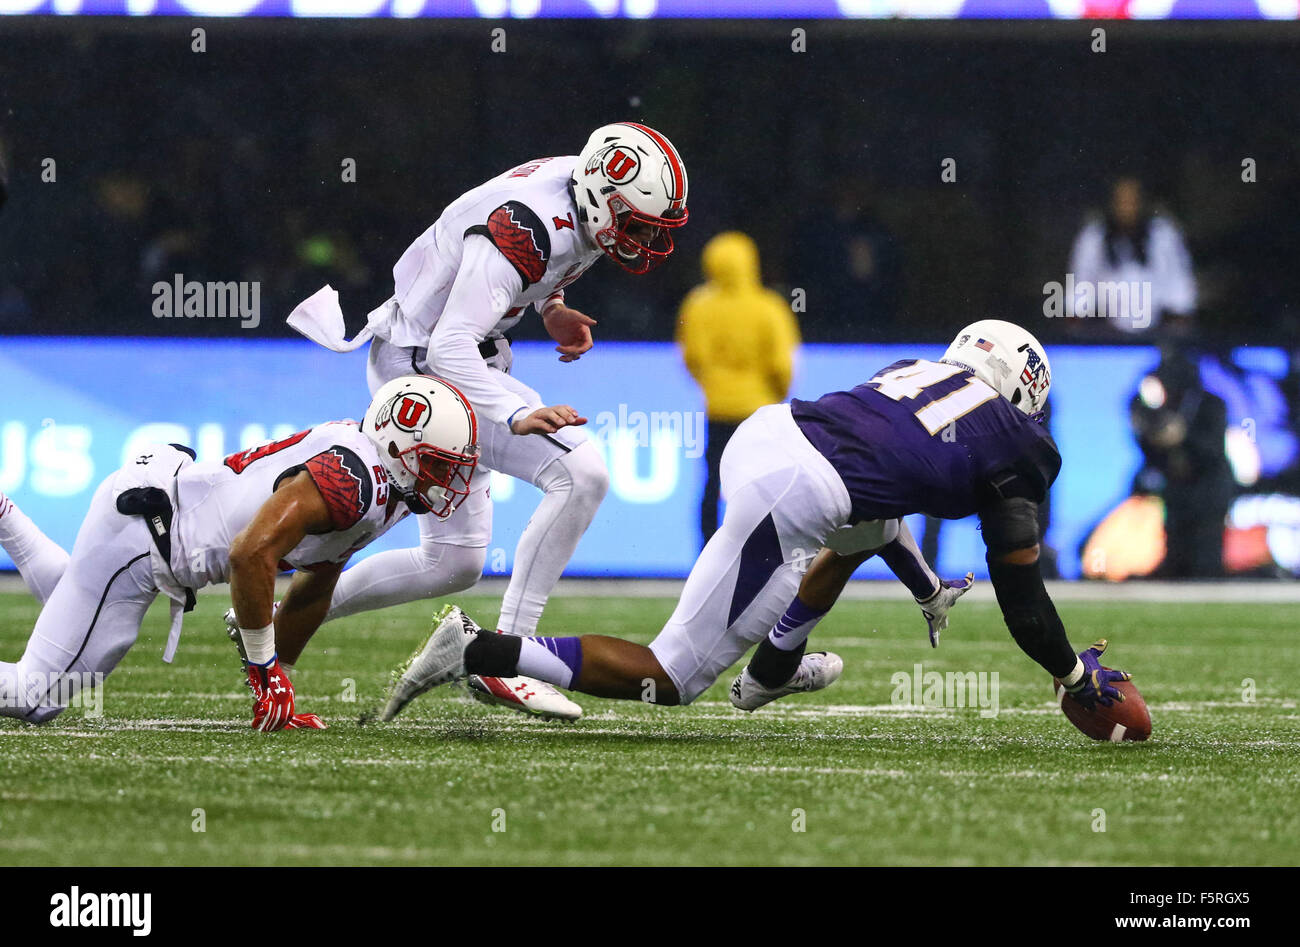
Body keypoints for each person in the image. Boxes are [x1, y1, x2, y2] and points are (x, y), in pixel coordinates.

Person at [379, 320, 1134, 721]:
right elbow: (1023, 596)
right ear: (1026, 387)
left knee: (859, 522)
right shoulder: (1019, 442)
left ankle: (771, 670)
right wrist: (1072, 674)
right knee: (671, 677)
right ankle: (480, 651)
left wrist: (926, 586)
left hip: (769, 433)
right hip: (797, 489)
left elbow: (879, 510)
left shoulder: (914, 371)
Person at [286, 122, 689, 722]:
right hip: (428, 365)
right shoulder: (525, 225)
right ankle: (504, 659)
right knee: (581, 474)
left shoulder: (577, 190)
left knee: (453, 563)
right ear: (602, 195)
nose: (642, 239)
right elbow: (453, 344)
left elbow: (542, 267)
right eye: (634, 222)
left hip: (447, 354)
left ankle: (268, 621)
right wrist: (519, 411)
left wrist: (549, 307)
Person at [0, 375, 478, 730]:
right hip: (146, 533)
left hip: (152, 506)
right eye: (437, 463)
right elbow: (250, 554)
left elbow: (319, 578)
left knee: (77, 596)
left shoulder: (382, 488)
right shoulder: (354, 482)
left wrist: (277, 680)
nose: (447, 480)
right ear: (400, 446)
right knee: (39, 695)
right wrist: (263, 670)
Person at [677, 231, 800, 544]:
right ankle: (762, 551)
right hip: (760, 412)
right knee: (764, 486)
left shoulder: (699, 305)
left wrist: (715, 386)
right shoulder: (769, 307)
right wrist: (774, 394)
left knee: (711, 486)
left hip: (718, 410)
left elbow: (693, 357)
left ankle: (708, 552)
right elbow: (781, 366)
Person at [1130, 346, 1234, 578]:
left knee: (1205, 551)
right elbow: (1149, 447)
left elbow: (1213, 450)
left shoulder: (1211, 404)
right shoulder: (1160, 407)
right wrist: (1150, 433)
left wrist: (1183, 436)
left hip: (1209, 487)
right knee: (1175, 546)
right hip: (1177, 486)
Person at [1067, 176, 1196, 338]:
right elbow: (1079, 289)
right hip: (1105, 335)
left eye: (1132, 202)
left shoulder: (1164, 235)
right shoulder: (1093, 237)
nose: (1127, 208)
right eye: (1122, 202)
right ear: (1112, 204)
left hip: (1158, 333)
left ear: (1142, 203)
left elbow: (1180, 287)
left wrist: (1178, 326)